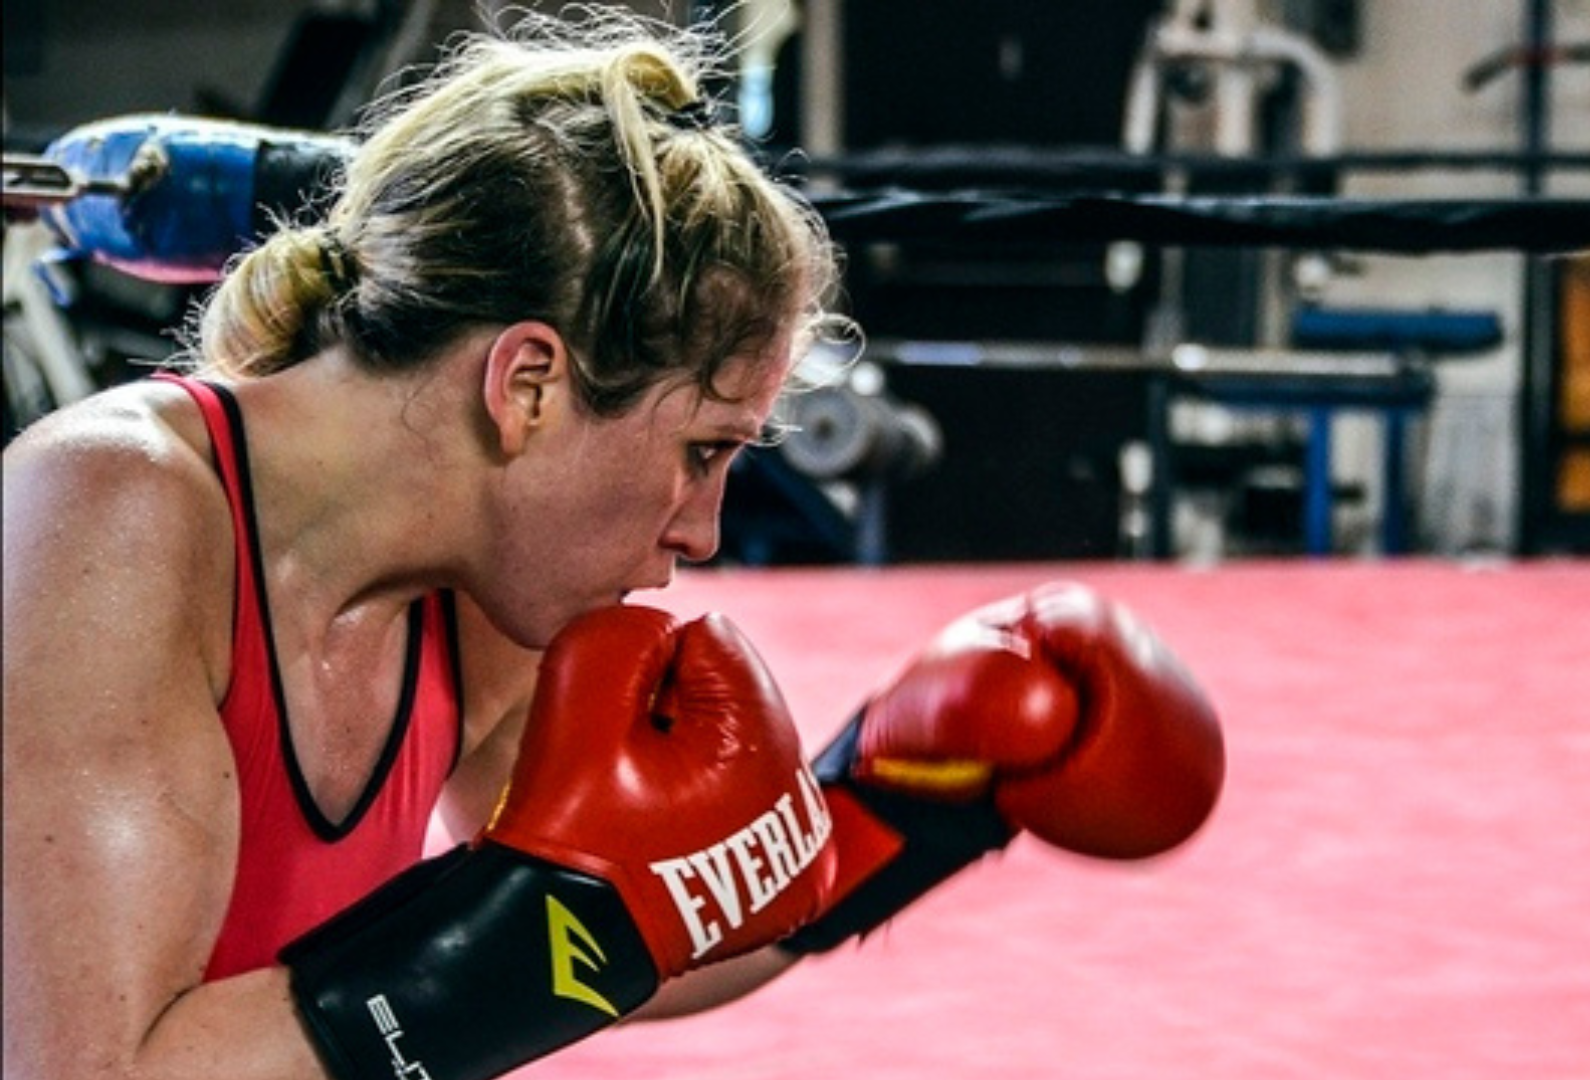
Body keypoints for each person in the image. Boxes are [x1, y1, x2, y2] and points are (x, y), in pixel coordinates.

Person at [2, 9, 1225, 1080]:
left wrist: (906, 806)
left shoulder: (477, 579)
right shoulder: (115, 516)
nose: (700, 530)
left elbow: (634, 925)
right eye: (701, 450)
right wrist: (530, 935)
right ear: (526, 383)